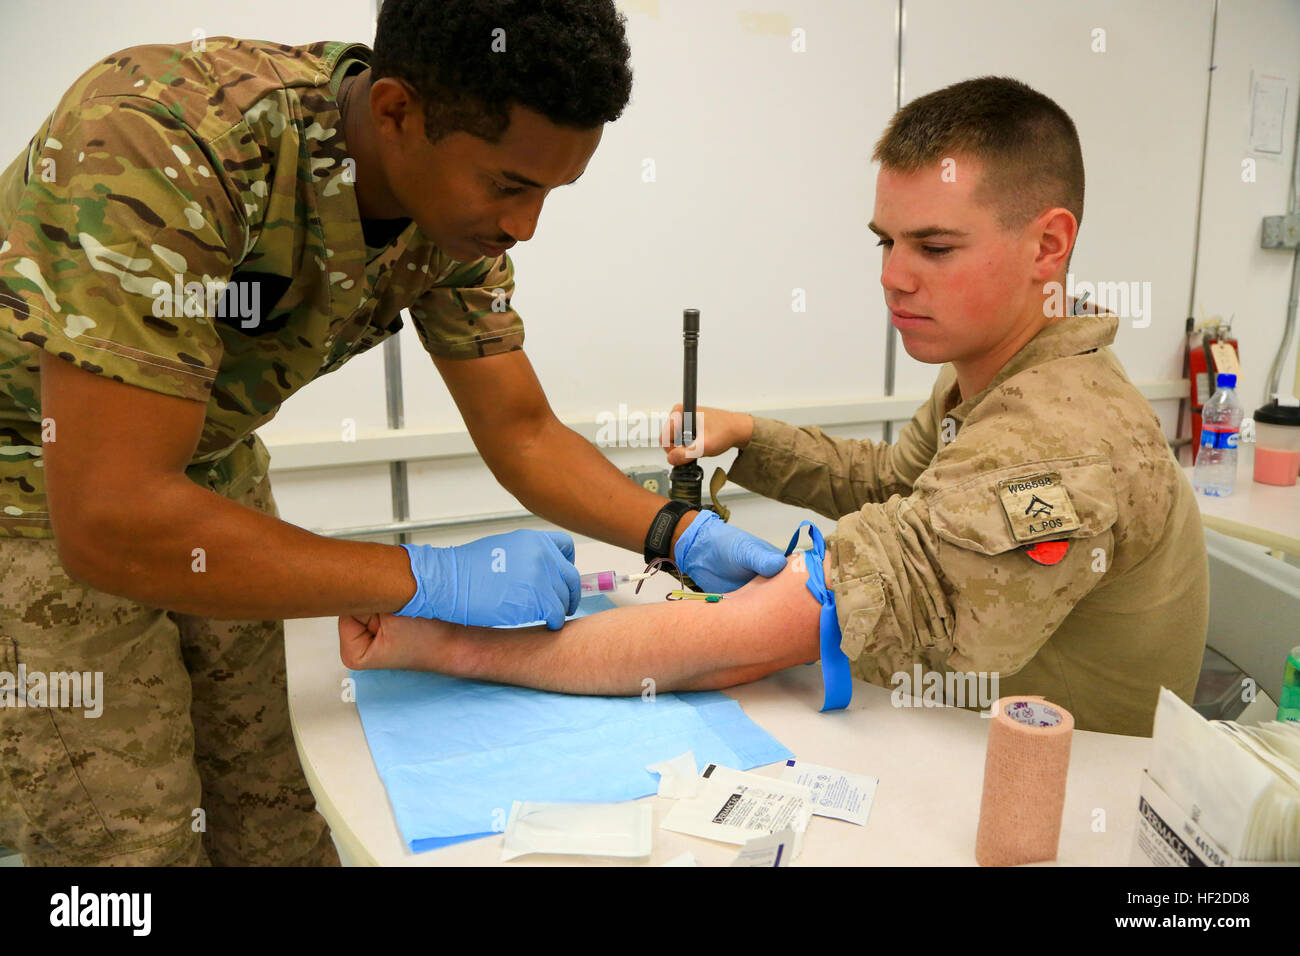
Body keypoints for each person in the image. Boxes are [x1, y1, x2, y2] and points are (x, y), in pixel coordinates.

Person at [0, 0, 783, 866]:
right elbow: (112, 515)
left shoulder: (451, 215)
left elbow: (520, 430)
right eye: (510, 184)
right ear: (397, 112)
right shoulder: (161, 145)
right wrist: (424, 575)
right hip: (27, 488)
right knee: (129, 848)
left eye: (553, 190)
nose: (527, 226)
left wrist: (673, 531)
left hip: (207, 466)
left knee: (274, 810)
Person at [340, 76, 1210, 738]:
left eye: (935, 247)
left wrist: (453, 647)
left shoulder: (1064, 438)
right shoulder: (989, 370)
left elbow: (792, 620)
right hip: (948, 746)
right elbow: (894, 484)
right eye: (887, 242)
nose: (893, 277)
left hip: (1055, 806)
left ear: (1047, 245)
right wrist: (750, 437)